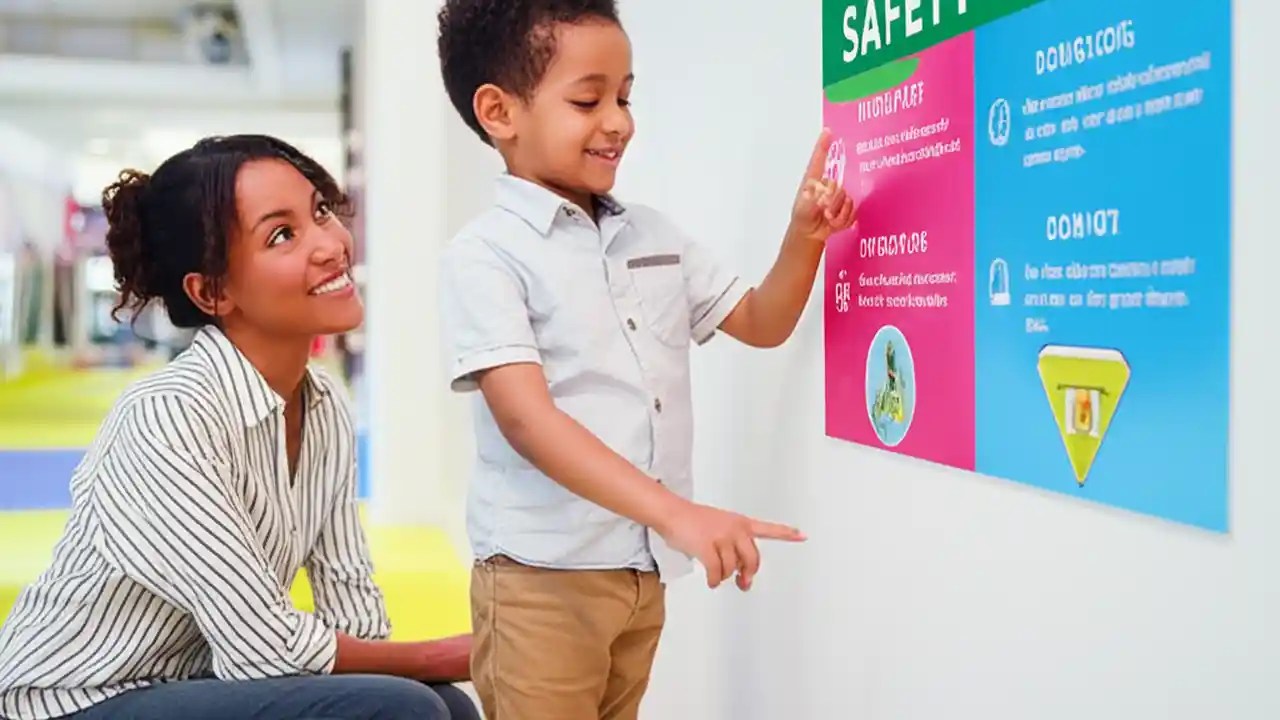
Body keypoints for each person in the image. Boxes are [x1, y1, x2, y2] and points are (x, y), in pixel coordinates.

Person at [435, 2, 857, 717]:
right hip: (541, 581)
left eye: (625, 97)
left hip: (640, 574)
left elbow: (762, 322)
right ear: (499, 112)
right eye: (588, 100)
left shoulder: (653, 236)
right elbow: (527, 421)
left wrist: (805, 236)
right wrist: (677, 513)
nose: (619, 122)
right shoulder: (485, 255)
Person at [0, 135, 478, 720]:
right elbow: (262, 647)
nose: (331, 245)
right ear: (212, 291)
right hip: (71, 701)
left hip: (187, 684)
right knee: (406, 706)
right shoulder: (168, 415)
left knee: (444, 706)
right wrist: (455, 653)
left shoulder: (323, 406)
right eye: (282, 235)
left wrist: (429, 668)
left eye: (320, 212)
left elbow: (351, 608)